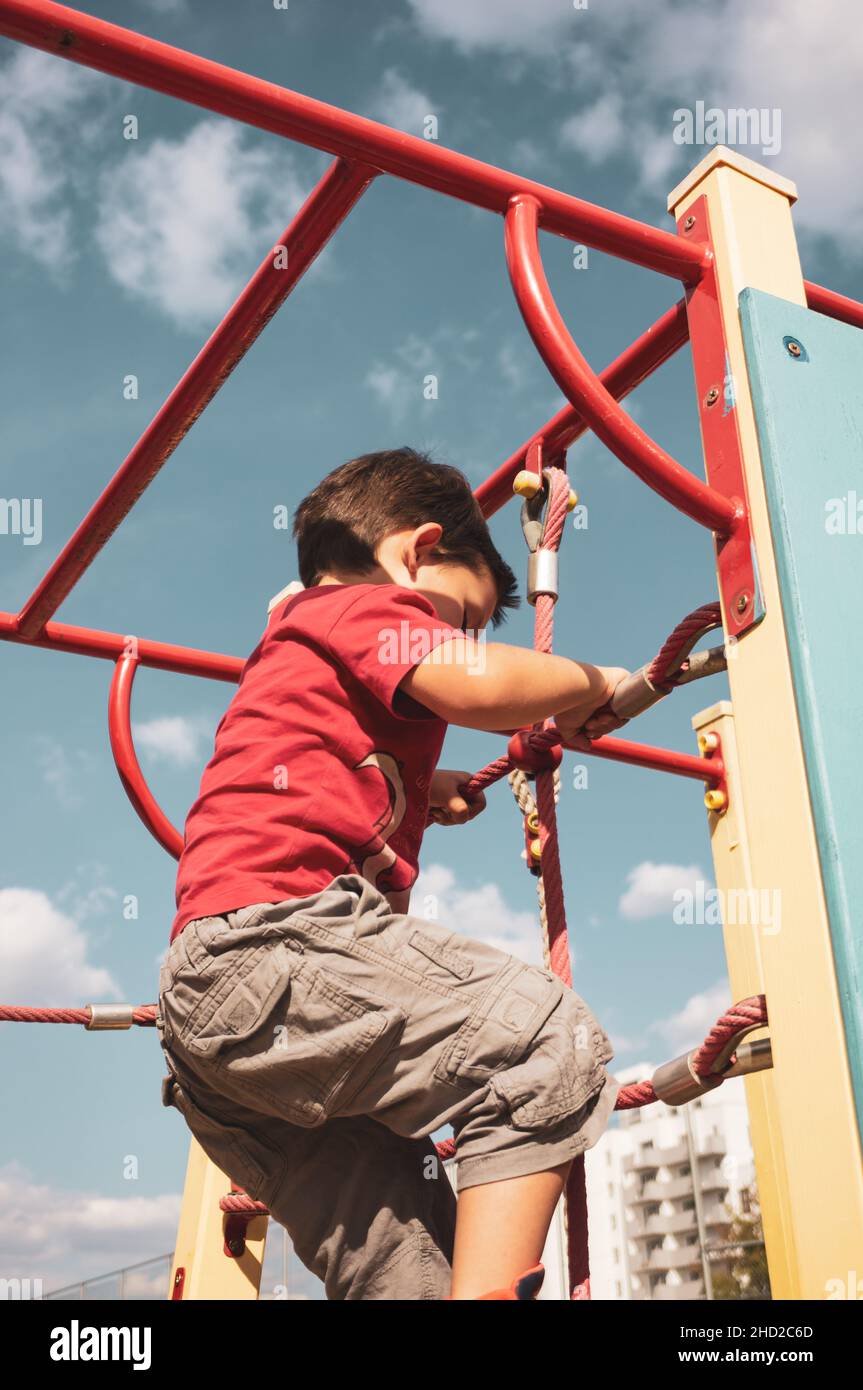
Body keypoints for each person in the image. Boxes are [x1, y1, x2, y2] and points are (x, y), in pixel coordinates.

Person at [156, 447, 627, 1300]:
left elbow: (324, 755)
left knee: (405, 1264)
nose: (463, 638)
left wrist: (425, 788)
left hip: (229, 1050)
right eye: (466, 617)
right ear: (416, 554)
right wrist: (592, 683)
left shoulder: (304, 643)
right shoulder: (359, 606)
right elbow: (475, 687)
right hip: (278, 952)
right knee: (539, 1042)